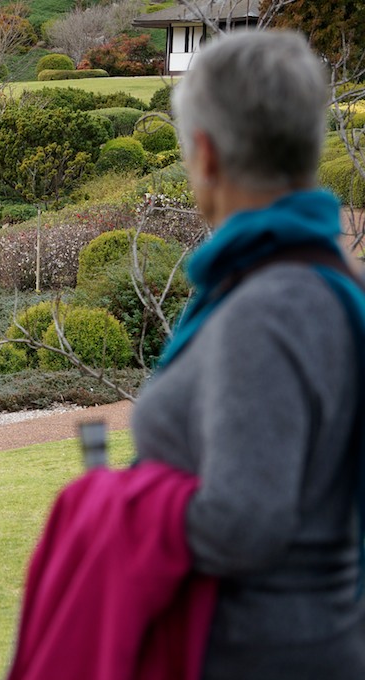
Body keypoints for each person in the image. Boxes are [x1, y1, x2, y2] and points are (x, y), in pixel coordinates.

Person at [132, 29, 365, 679]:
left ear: (204, 155)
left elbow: (243, 523)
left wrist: (114, 508)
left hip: (254, 653)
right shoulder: (332, 280)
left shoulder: (265, 308)